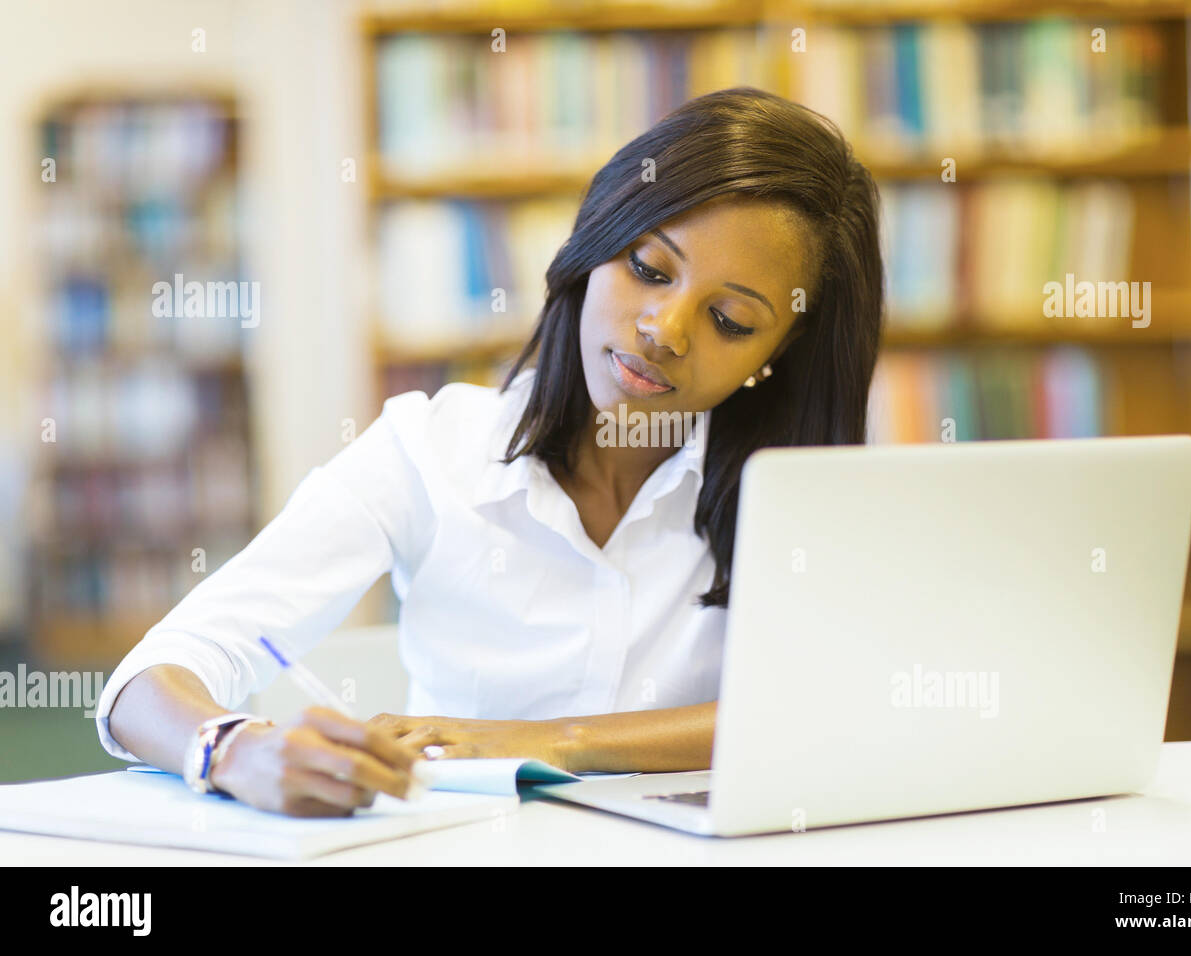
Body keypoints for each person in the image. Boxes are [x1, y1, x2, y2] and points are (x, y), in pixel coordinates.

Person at [98, 86, 884, 817]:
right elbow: (148, 680)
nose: (665, 330)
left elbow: (826, 705)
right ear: (594, 242)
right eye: (649, 269)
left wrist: (549, 743)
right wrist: (233, 751)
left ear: (778, 351)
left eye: (731, 321)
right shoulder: (431, 450)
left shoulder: (797, 493)